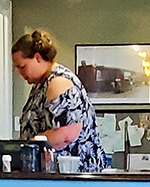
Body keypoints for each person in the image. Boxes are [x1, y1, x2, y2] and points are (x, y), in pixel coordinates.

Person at [11, 30, 106, 173]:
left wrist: (32, 144)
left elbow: (66, 134)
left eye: (22, 67)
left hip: (73, 176)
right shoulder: (41, 84)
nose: (20, 73)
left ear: (37, 58)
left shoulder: (58, 83)